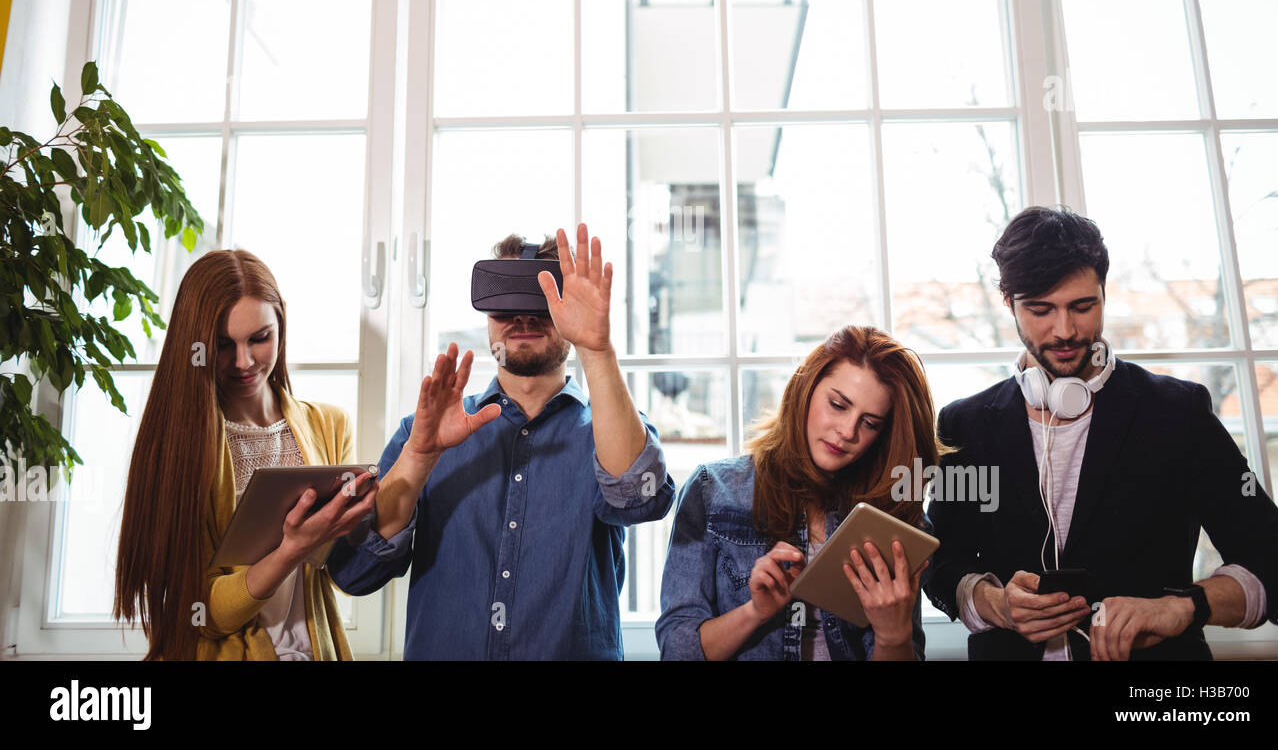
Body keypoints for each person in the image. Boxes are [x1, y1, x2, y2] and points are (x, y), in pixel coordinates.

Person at [926, 205, 1278, 660]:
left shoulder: (1179, 414)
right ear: (1009, 303)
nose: (1064, 331)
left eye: (1082, 306)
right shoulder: (965, 425)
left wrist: (1182, 607)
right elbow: (940, 562)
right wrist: (994, 602)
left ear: (1104, 291)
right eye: (1040, 310)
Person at [327, 224, 674, 659]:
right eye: (505, 304)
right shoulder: (426, 432)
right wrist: (419, 457)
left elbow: (642, 501)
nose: (523, 319)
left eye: (542, 305)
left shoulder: (609, 431)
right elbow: (354, 574)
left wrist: (597, 349)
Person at [114, 250, 375, 660]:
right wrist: (289, 550)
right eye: (223, 345)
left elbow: (344, 569)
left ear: (281, 323)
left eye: (259, 338)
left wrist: (418, 455)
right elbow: (200, 614)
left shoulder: (329, 425)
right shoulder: (179, 446)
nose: (244, 362)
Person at [656, 325, 938, 660]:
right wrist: (755, 612)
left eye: (870, 423)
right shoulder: (713, 491)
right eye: (837, 404)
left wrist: (893, 636)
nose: (847, 431)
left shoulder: (892, 518)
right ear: (806, 388)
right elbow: (677, 650)